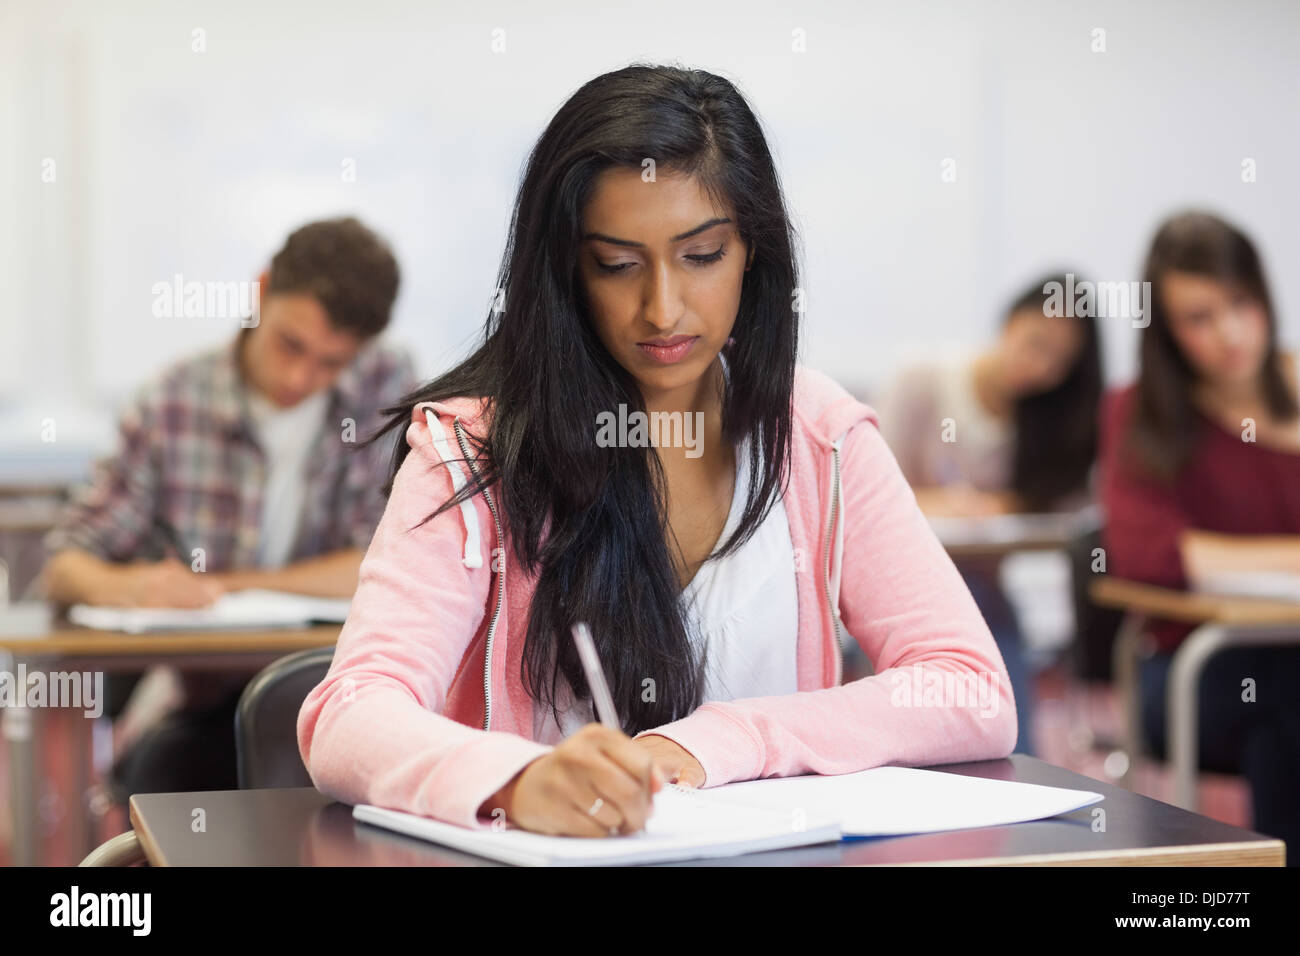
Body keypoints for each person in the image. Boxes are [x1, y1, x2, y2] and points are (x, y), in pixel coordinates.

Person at [297, 64, 1016, 838]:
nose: (663, 309)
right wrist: (516, 780)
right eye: (617, 264)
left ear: (753, 254)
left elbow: (970, 688)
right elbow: (349, 713)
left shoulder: (820, 438)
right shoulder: (473, 448)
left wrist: (722, 740)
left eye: (702, 256)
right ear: (568, 269)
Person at [43, 215, 417, 799]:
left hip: (343, 693)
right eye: (291, 345)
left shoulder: (387, 387)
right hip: (205, 703)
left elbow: (385, 565)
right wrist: (135, 586)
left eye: (331, 362)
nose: (302, 376)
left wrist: (225, 586)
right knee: (182, 783)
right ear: (261, 292)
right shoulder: (172, 402)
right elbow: (65, 566)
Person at [1099, 210, 1300, 863]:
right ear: (1167, 331)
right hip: (1192, 667)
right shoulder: (1142, 414)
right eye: (1199, 317)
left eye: (1241, 303)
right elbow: (1151, 554)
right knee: (1284, 699)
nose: (1232, 333)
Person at [876, 276, 1103, 755]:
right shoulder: (924, 381)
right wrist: (940, 503)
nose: (1038, 367)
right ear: (1010, 321)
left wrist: (1009, 505)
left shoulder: (1047, 417)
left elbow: (1073, 504)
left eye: (1058, 363)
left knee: (988, 615)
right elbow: (865, 485)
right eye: (1035, 344)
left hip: (982, 586)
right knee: (985, 621)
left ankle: (1016, 770)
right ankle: (1017, 769)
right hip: (896, 588)